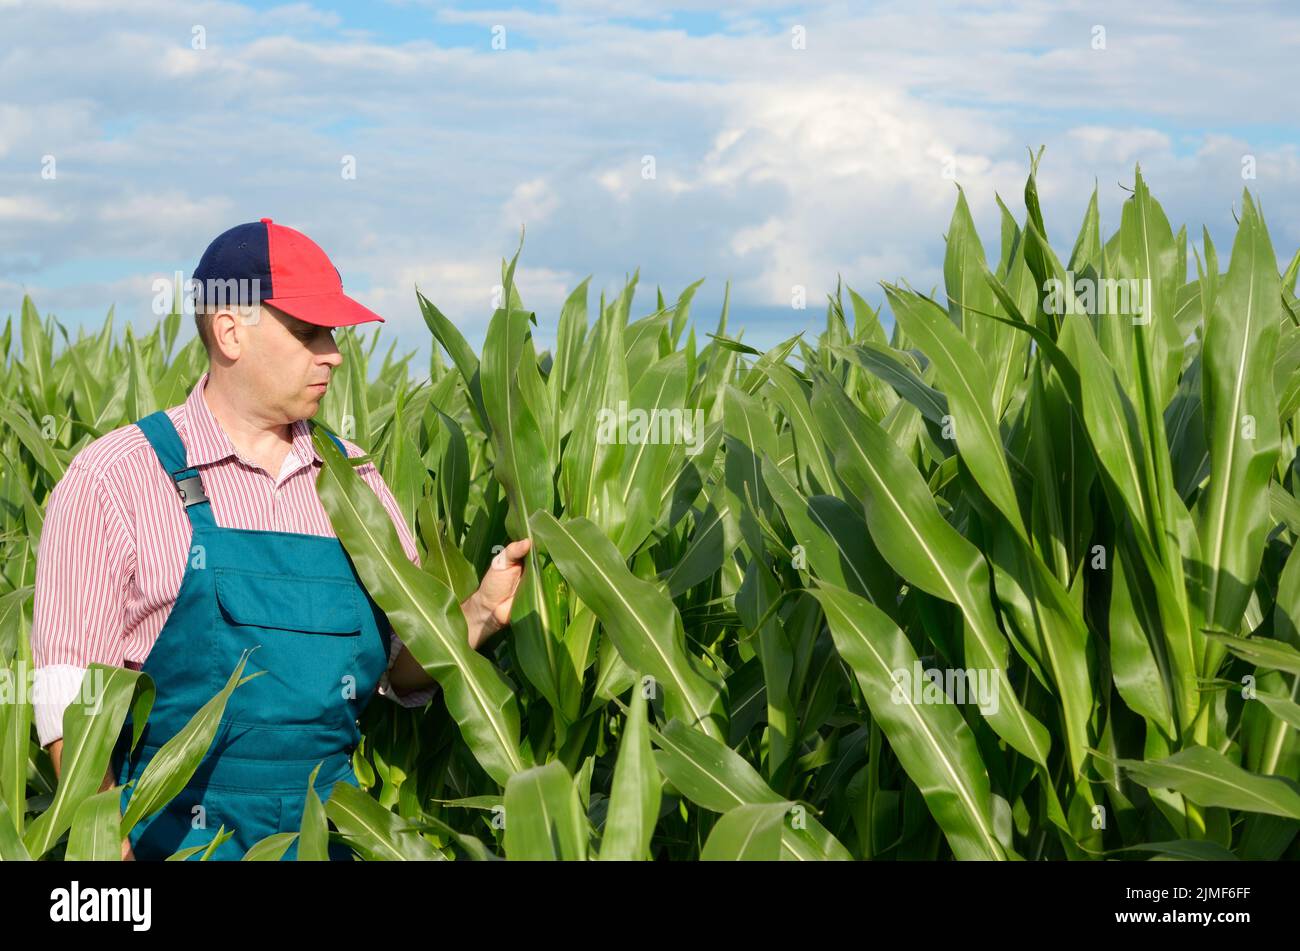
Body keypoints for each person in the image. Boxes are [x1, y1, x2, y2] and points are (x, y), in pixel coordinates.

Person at [30, 218, 530, 860]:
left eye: (333, 331)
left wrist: (481, 613)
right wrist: (110, 859)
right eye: (308, 331)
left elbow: (401, 664)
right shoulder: (119, 477)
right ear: (231, 331)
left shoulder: (355, 484)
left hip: (334, 840)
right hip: (174, 845)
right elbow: (72, 703)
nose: (333, 352)